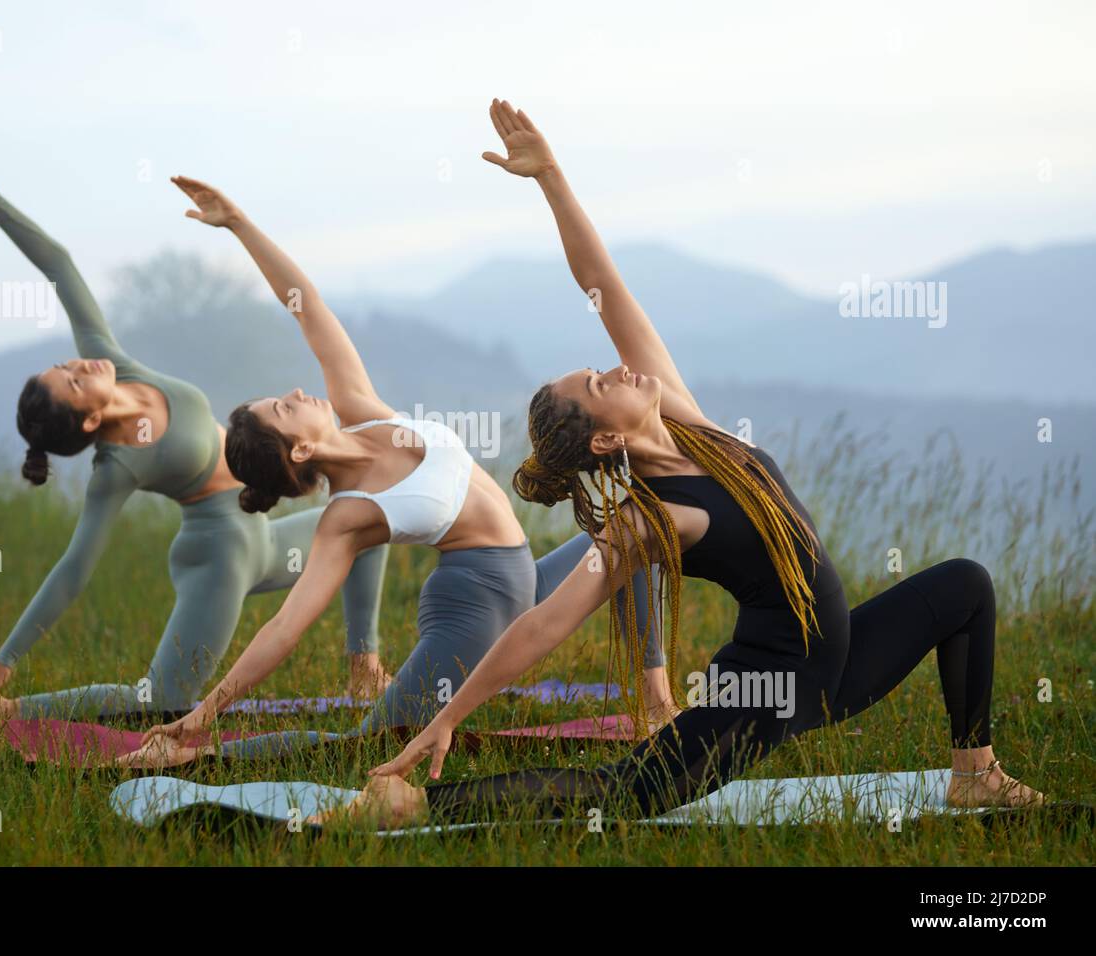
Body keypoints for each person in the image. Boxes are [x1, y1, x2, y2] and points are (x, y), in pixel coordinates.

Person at [316, 100, 1044, 827]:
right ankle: (413, 805)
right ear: (605, 439)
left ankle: (975, 774)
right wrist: (450, 714)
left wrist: (551, 179)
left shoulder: (690, 426)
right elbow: (541, 627)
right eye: (601, 385)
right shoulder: (647, 516)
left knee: (965, 587)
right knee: (624, 792)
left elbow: (605, 289)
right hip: (769, 689)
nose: (618, 371)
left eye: (603, 368)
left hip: (840, 662)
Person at [126, 174, 683, 767]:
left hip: (528, 577)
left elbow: (307, 309)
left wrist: (239, 224)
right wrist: (206, 713)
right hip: (477, 603)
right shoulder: (347, 517)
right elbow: (285, 629)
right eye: (284, 409)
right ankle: (188, 754)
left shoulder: (362, 413)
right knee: (369, 745)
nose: (295, 391)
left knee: (636, 528)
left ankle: (655, 702)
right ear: (299, 453)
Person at [0, 170, 391, 720]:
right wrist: (4, 662)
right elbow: (74, 567)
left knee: (371, 516)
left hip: (263, 535)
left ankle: (365, 670)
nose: (80, 365)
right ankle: (8, 712)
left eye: (65, 366)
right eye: (74, 382)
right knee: (164, 701)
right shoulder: (116, 468)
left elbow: (60, 266)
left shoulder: (111, 363)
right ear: (91, 418)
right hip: (220, 555)